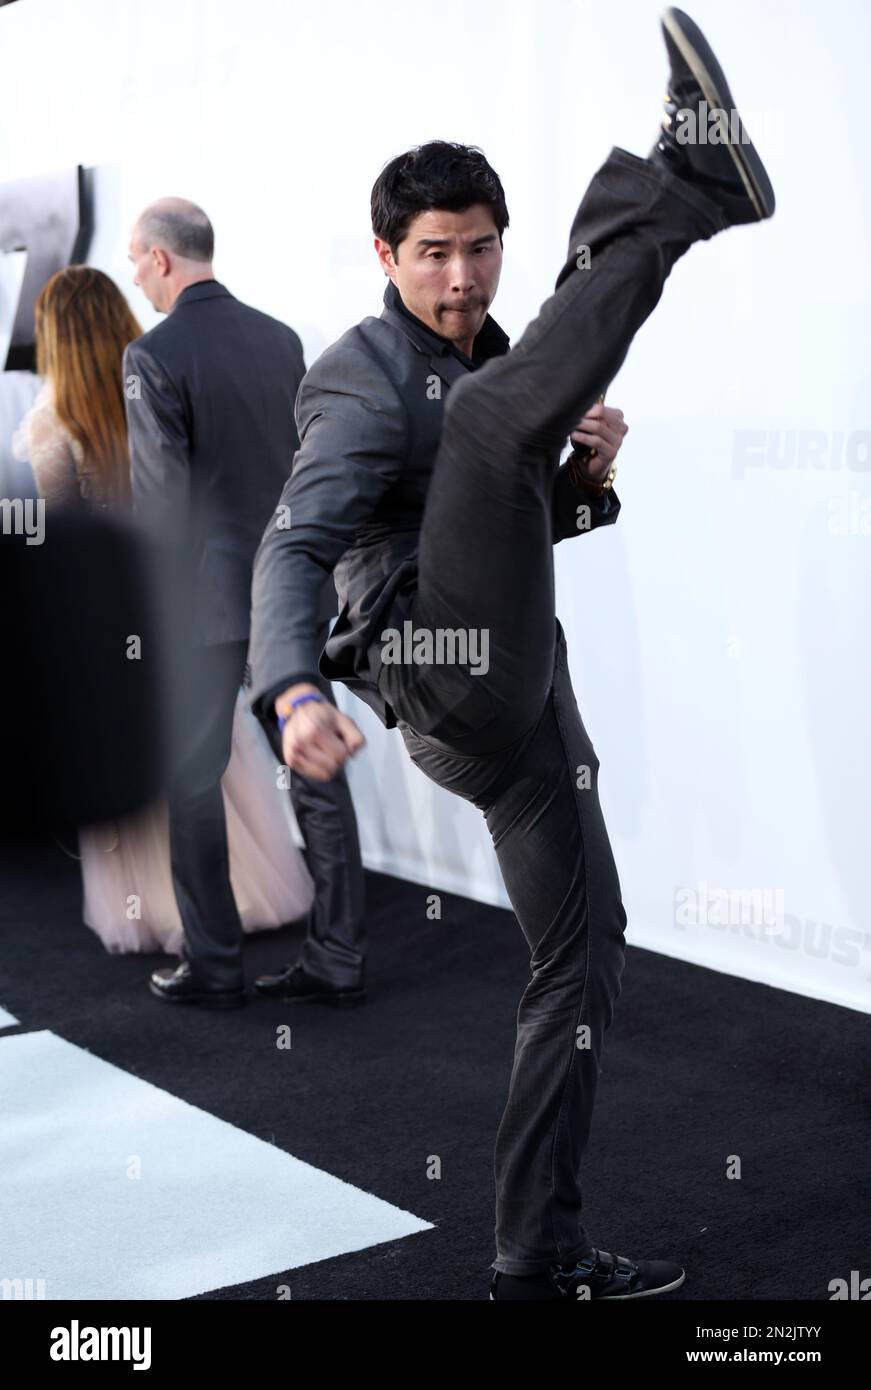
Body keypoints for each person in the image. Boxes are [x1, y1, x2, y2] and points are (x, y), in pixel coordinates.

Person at [249, 7, 775, 1298]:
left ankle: (535, 1249)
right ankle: (686, 176)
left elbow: (527, 509)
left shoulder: (490, 360)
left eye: (481, 249)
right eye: (434, 255)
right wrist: (290, 687)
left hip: (529, 698)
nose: (463, 279)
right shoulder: (359, 380)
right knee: (496, 412)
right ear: (386, 252)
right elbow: (289, 546)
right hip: (443, 675)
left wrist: (581, 476)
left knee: (583, 956)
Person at [11, 265, 314, 952]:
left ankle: (174, 918)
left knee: (144, 771)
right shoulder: (152, 379)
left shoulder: (53, 422)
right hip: (181, 605)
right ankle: (234, 900)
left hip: (109, 619)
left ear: (54, 336)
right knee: (207, 764)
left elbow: (68, 546)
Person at [125, 198, 364, 1006]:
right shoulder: (279, 339)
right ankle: (337, 957)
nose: (135, 277)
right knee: (315, 770)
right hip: (287, 592)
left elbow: (162, 511)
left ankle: (216, 966)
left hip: (199, 606)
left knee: (190, 783)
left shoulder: (152, 354)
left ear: (161, 259)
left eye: (136, 261)